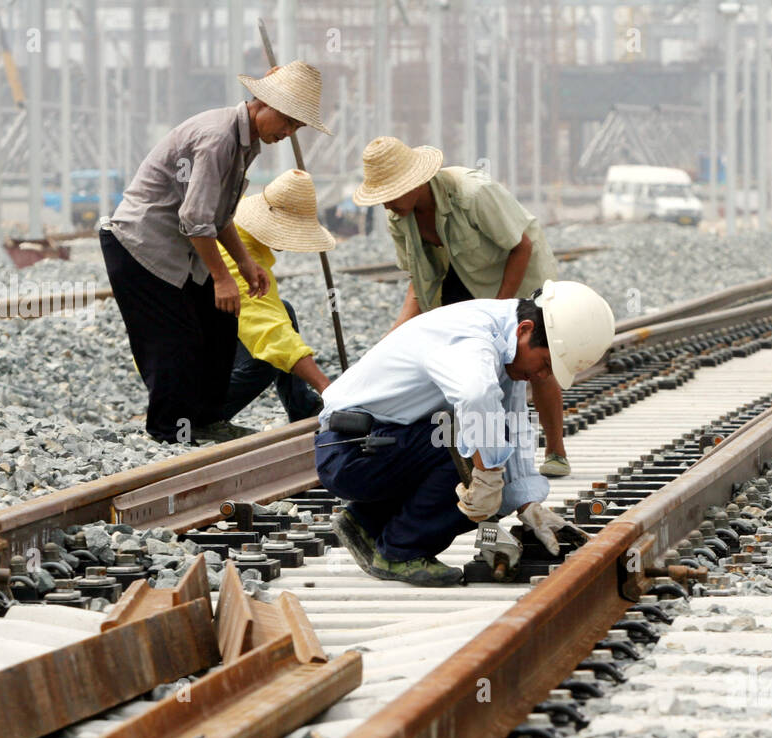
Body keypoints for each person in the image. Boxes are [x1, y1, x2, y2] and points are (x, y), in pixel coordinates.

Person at [315, 280, 614, 587]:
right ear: (525, 329)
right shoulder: (473, 337)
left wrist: (528, 505)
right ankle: (402, 550)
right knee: (470, 451)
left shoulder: (504, 336)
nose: (541, 376)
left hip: (377, 445)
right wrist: (487, 477)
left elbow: (510, 418)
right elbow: (475, 396)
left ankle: (366, 520)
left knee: (485, 447)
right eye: (546, 364)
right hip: (349, 451)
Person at [100, 61, 331, 444]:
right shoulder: (218, 138)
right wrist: (223, 277)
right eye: (288, 122)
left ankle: (206, 421)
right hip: (141, 247)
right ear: (263, 103)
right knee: (174, 338)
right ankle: (170, 431)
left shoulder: (245, 142)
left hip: (178, 249)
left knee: (220, 323)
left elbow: (220, 214)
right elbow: (194, 217)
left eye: (296, 128)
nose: (288, 133)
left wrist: (243, 263)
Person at [350, 136, 576, 479]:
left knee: (535, 358)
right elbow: (419, 277)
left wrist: (499, 316)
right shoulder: (400, 217)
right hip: (456, 278)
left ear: (415, 182)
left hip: (517, 271)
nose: (385, 205)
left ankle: (555, 449)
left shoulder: (472, 193)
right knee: (459, 360)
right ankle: (473, 453)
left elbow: (521, 247)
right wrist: (396, 334)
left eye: (390, 194)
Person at [216, 169, 333, 431]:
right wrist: (327, 387)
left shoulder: (240, 226)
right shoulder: (236, 254)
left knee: (284, 310)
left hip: (200, 337)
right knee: (268, 357)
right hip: (181, 365)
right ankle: (202, 416)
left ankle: (302, 408)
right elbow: (269, 332)